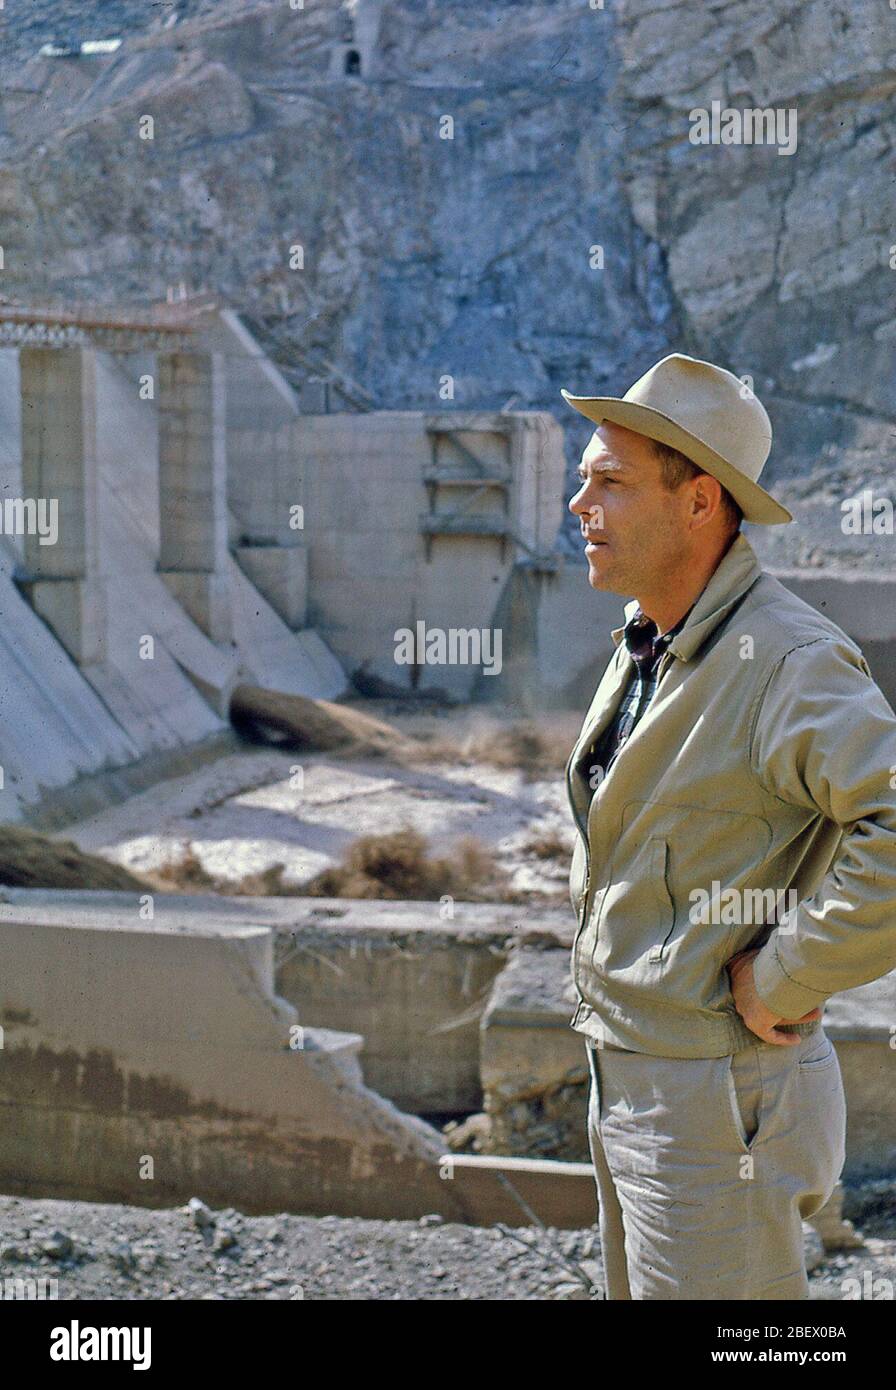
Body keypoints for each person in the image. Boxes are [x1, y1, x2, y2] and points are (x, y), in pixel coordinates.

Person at [561, 352, 896, 1299]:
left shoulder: (788, 660)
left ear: (701, 501)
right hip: (631, 1078)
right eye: (584, 478)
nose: (579, 503)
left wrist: (790, 971)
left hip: (719, 1106)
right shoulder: (651, 640)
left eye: (610, 483)